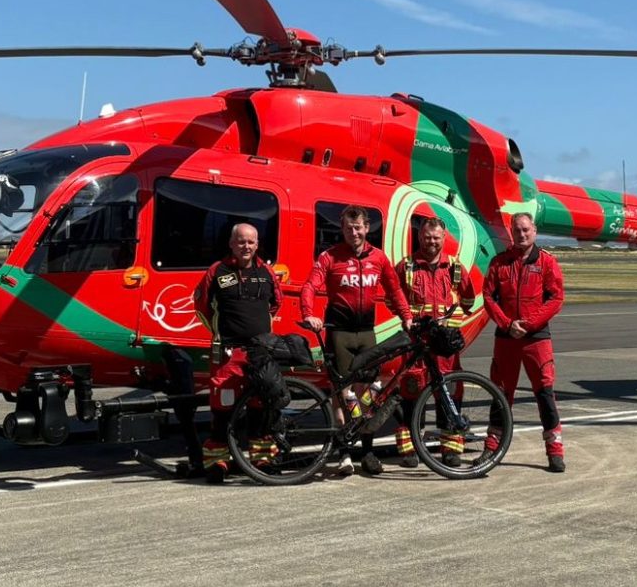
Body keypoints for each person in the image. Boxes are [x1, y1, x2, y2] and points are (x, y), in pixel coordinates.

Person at [300, 205, 410, 476]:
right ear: (343, 229)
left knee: (367, 394)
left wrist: (406, 316)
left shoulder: (379, 258)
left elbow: (394, 289)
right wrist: (308, 314)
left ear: (367, 227)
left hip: (367, 332)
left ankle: (367, 451)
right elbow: (310, 287)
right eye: (348, 229)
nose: (353, 233)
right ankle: (344, 453)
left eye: (358, 227)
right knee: (341, 395)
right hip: (339, 333)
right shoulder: (329, 257)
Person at [192, 222, 282, 483]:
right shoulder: (217, 271)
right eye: (241, 241)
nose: (246, 246)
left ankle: (262, 460)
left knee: (260, 408)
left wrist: (259, 326)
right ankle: (218, 462)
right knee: (223, 409)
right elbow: (201, 304)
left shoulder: (266, 272)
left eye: (251, 242)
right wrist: (219, 332)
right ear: (231, 243)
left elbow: (276, 303)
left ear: (257, 245)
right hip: (229, 355)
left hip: (260, 352)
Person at [484, 212, 567, 472]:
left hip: (536, 339)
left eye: (526, 230)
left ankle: (555, 451)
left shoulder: (547, 263)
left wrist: (529, 324)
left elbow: (555, 298)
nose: (522, 234)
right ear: (512, 231)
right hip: (506, 338)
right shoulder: (499, 263)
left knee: (544, 393)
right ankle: (491, 448)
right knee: (500, 394)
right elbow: (488, 296)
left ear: (534, 230)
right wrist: (508, 324)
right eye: (517, 230)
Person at [395, 216, 477, 468]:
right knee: (411, 390)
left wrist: (450, 324)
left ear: (444, 238)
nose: (431, 242)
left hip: (443, 344)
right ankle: (409, 449)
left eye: (436, 237)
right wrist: (408, 318)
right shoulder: (406, 266)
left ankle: (451, 448)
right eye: (427, 237)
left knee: (449, 390)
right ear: (420, 237)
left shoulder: (454, 267)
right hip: (417, 340)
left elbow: (469, 299)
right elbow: (392, 298)